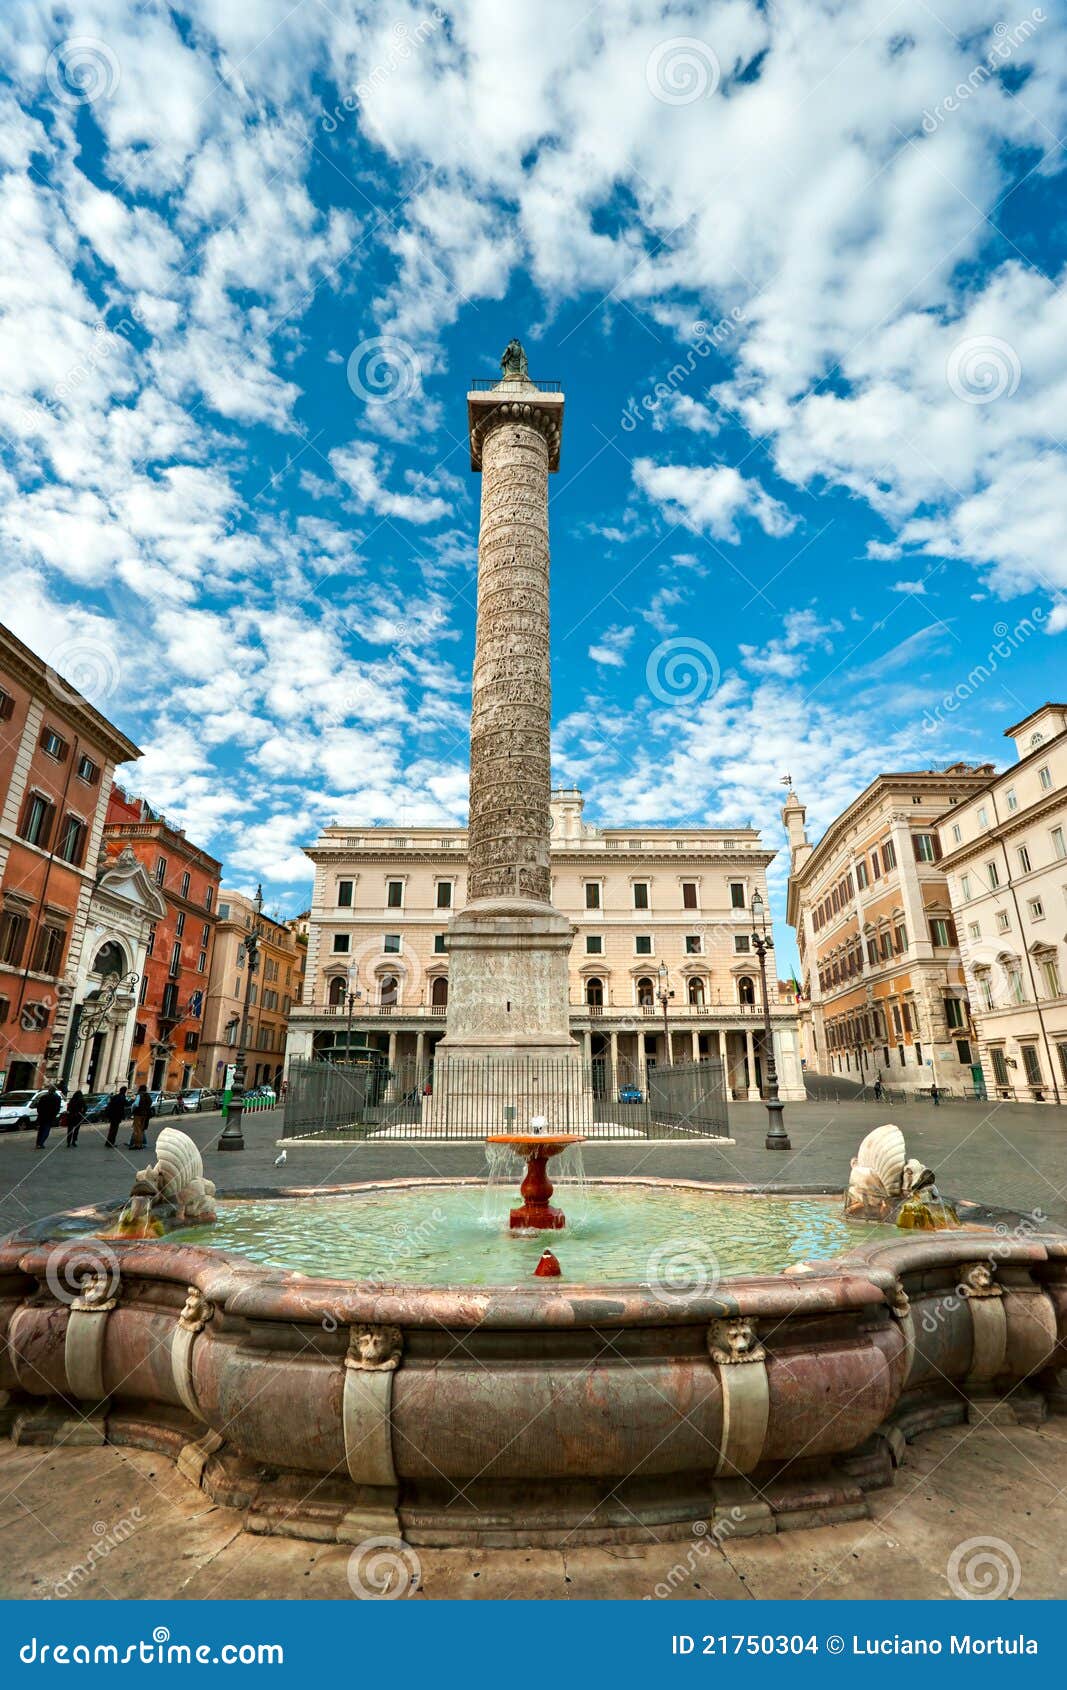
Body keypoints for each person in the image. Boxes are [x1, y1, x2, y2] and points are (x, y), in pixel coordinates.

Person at [34, 1083, 62, 1149]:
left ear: (49, 1091)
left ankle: (38, 1143)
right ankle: (41, 1143)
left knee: (41, 1130)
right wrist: (55, 1114)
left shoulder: (44, 1097)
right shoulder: (57, 1098)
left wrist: (40, 1113)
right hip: (50, 1116)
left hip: (42, 1115)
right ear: (54, 1091)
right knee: (46, 1129)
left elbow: (39, 1106)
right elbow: (57, 1108)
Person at [129, 1085, 154, 1150]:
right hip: (145, 1114)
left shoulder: (139, 1095)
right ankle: (140, 1144)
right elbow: (150, 1103)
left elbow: (136, 1104)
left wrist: (132, 1109)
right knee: (141, 1129)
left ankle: (137, 1144)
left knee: (137, 1129)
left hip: (138, 1114)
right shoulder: (148, 1096)